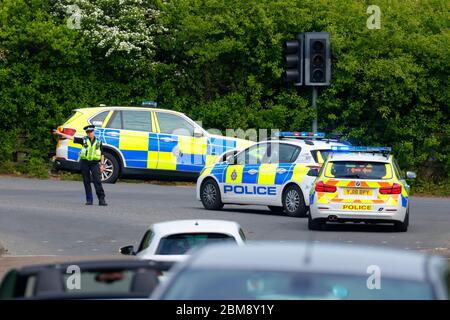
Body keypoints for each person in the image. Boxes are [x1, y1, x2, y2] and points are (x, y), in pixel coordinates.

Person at [53, 125, 107, 206]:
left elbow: (102, 154)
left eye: (90, 132)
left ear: (93, 132)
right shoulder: (84, 140)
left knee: (97, 181)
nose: (89, 134)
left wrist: (102, 165)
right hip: (85, 163)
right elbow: (71, 137)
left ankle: (101, 200)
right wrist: (60, 133)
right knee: (86, 182)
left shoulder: (99, 142)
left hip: (95, 163)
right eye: (88, 132)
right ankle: (89, 200)